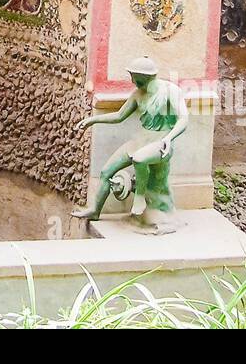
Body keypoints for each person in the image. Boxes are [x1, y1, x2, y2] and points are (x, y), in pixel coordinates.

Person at [72, 56, 187, 232]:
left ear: (145, 76)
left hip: (161, 142)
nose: (132, 81)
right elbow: (119, 116)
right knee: (106, 171)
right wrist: (92, 120)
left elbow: (183, 119)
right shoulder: (138, 95)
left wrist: (169, 138)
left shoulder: (171, 91)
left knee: (139, 159)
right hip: (141, 140)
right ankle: (95, 210)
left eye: (134, 76)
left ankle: (139, 196)